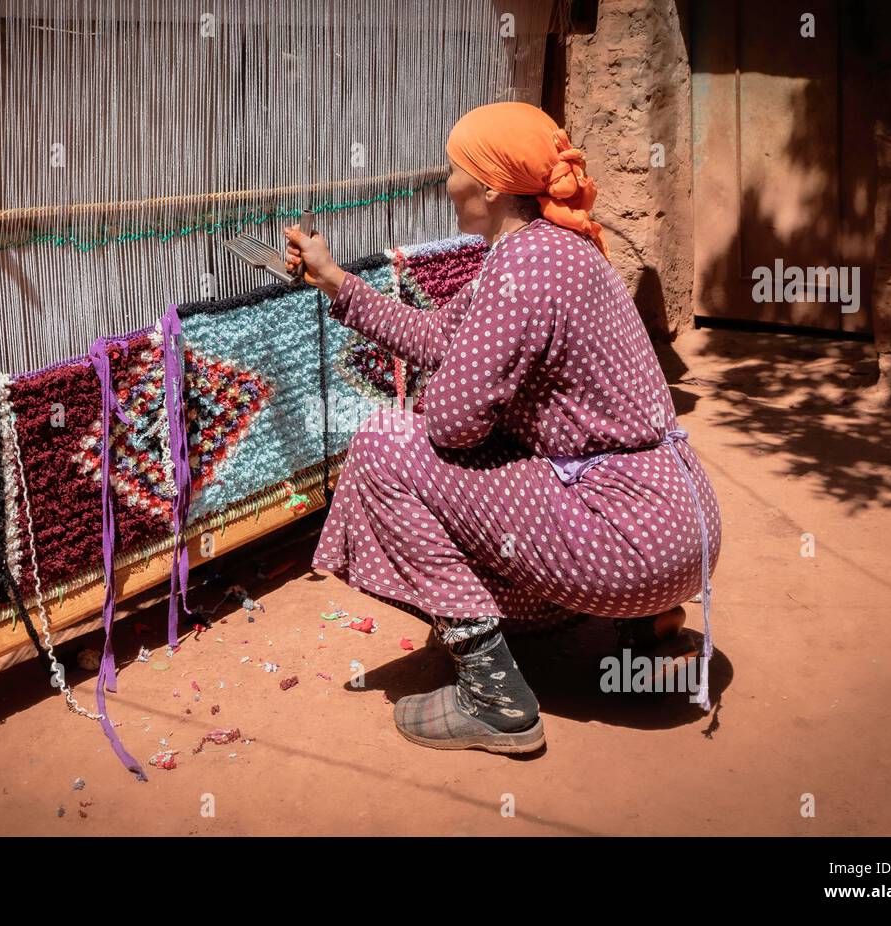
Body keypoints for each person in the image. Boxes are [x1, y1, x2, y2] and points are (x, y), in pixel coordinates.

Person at [284, 101, 721, 755]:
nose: (447, 181)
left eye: (455, 168)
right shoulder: (557, 249)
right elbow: (437, 335)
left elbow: (456, 424)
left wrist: (452, 403)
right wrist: (335, 281)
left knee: (384, 445)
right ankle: (647, 636)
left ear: (489, 185)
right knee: (518, 443)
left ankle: (494, 697)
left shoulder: (522, 268)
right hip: (687, 529)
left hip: (628, 542)